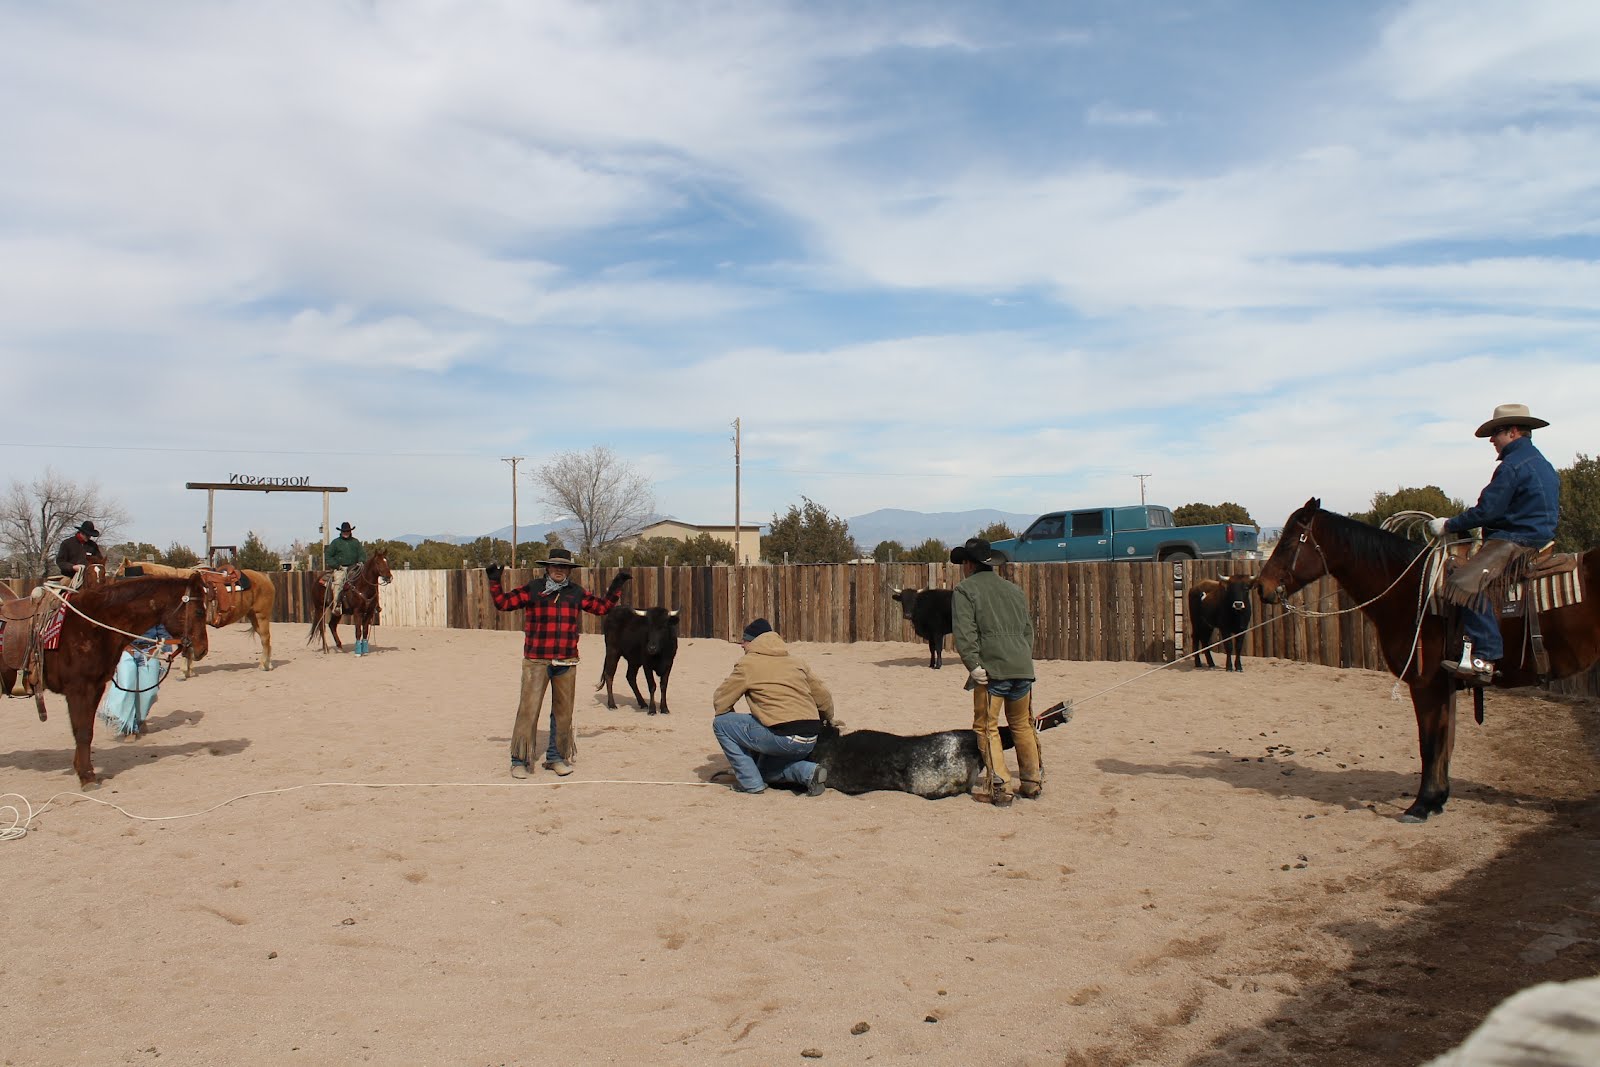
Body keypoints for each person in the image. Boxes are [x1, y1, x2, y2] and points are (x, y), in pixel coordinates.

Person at [1426, 403, 1561, 685]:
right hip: (1538, 537)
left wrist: (1448, 525)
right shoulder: (1542, 464)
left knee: (1462, 583)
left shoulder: (1512, 466)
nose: (1491, 440)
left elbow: (1487, 511)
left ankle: (1484, 657)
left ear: (1512, 432)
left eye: (1496, 433)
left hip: (1515, 539)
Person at [487, 549, 630, 779]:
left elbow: (602, 608)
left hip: (566, 661)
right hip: (536, 660)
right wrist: (494, 580)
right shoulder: (534, 589)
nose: (559, 570)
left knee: (563, 714)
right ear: (547, 568)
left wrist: (617, 585)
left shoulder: (575, 593)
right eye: (555, 566)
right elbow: (504, 603)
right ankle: (519, 760)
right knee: (528, 710)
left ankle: (555, 757)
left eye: (563, 567)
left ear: (569, 570)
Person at [951, 536, 1042, 806]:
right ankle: (1032, 780)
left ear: (968, 564)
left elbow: (965, 634)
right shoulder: (1014, 590)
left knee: (987, 727)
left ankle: (1001, 786)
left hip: (992, 672)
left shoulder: (965, 591)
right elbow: (1028, 631)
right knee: (1023, 724)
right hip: (1022, 667)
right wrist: (1023, 657)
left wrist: (973, 664)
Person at [711, 618, 834, 796]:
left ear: (754, 642)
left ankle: (750, 783)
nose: (742, 645)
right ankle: (809, 772)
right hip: (809, 738)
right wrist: (828, 720)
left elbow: (721, 702)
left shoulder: (748, 664)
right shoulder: (797, 662)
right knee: (766, 770)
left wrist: (739, 729)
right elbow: (824, 698)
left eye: (744, 640)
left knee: (721, 723)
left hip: (783, 738)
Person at [323, 521, 365, 616]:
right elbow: (328, 556)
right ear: (341, 532)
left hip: (354, 567)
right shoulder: (336, 543)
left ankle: (368, 604)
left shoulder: (356, 542)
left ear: (350, 531)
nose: (346, 533)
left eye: (347, 531)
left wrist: (361, 561)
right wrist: (336, 565)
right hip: (340, 568)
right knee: (338, 583)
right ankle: (337, 606)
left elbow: (362, 554)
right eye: (344, 531)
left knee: (365, 581)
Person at [56, 520, 104, 585]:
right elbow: (60, 561)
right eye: (87, 535)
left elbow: (99, 561)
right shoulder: (67, 543)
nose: (89, 537)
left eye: (90, 535)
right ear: (81, 532)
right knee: (62, 588)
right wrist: (72, 567)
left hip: (89, 577)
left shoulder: (93, 546)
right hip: (70, 576)